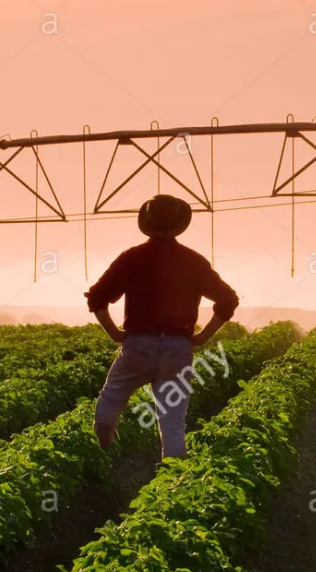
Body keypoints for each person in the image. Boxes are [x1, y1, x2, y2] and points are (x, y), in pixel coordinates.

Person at [84, 194, 239, 459]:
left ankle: (100, 459)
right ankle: (173, 482)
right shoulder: (193, 261)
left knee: (110, 401)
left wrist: (113, 332)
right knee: (172, 420)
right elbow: (228, 300)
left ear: (147, 223)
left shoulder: (132, 258)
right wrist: (203, 336)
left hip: (138, 346)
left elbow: (97, 297)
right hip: (177, 348)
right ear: (179, 225)